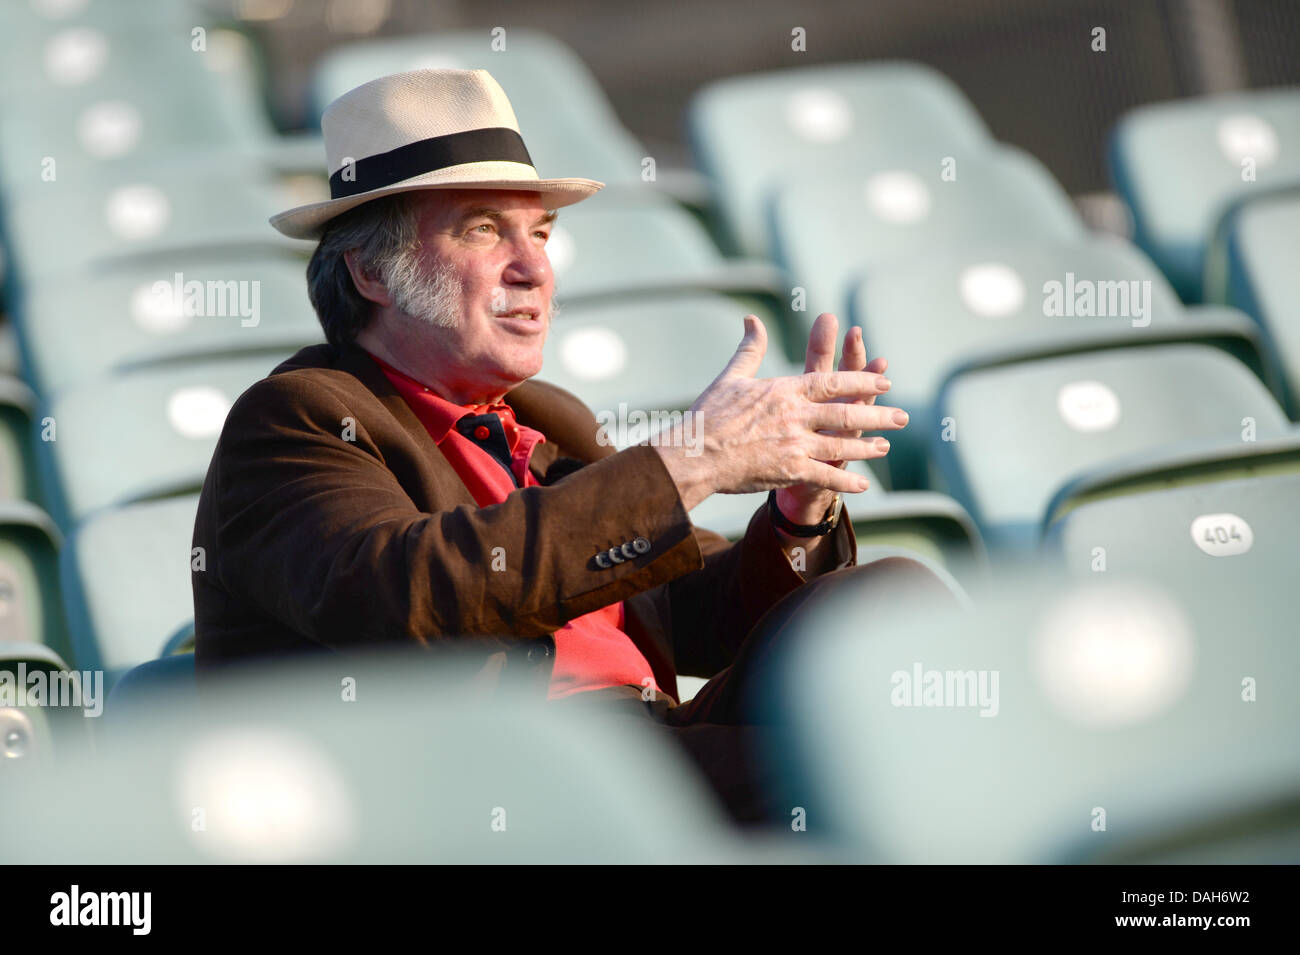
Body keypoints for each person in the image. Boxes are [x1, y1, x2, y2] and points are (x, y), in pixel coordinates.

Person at [192, 68, 945, 823]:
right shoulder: (295, 419)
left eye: (541, 233)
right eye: (484, 228)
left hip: (648, 748)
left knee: (892, 602)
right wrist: (697, 457)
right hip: (489, 794)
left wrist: (797, 512)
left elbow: (692, 613)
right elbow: (409, 594)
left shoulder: (549, 418)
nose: (535, 268)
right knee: (867, 770)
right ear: (371, 271)